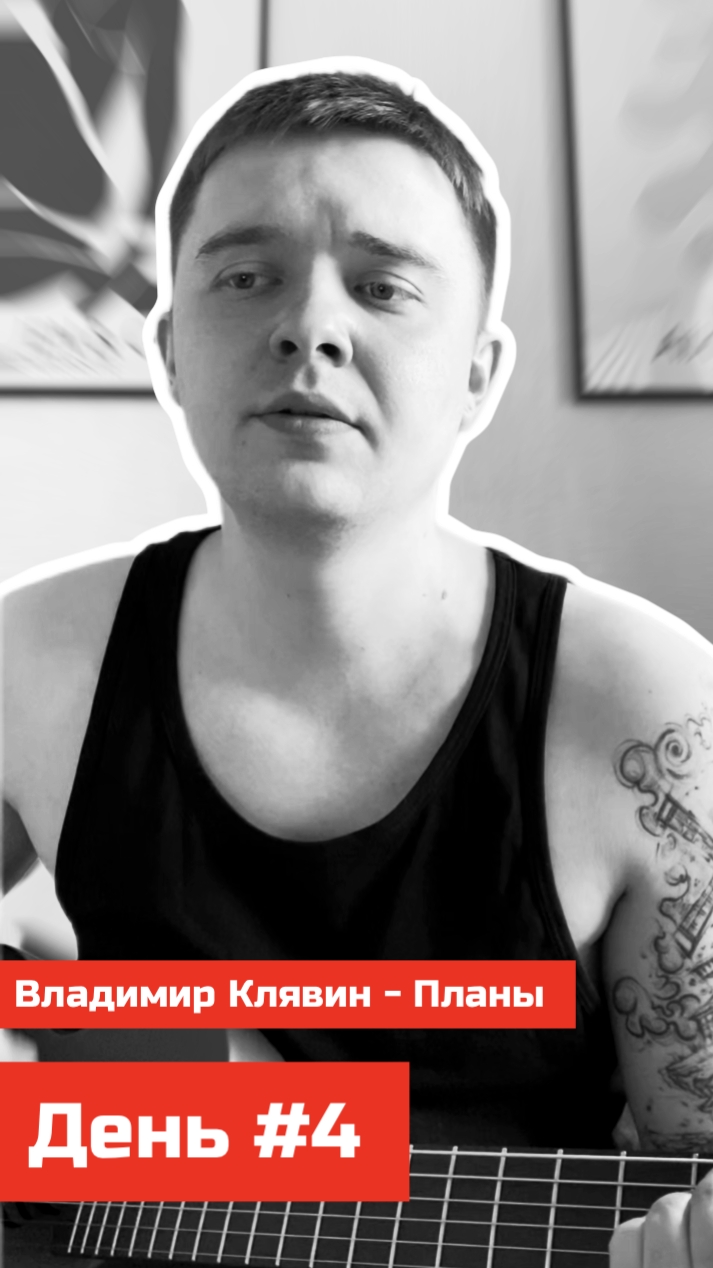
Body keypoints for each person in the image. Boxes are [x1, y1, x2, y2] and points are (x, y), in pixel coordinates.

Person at [2, 57, 713, 1260]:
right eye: (246, 276)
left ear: (477, 374)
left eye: (382, 287)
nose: (311, 327)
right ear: (169, 350)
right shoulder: (27, 659)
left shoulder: (648, 717)